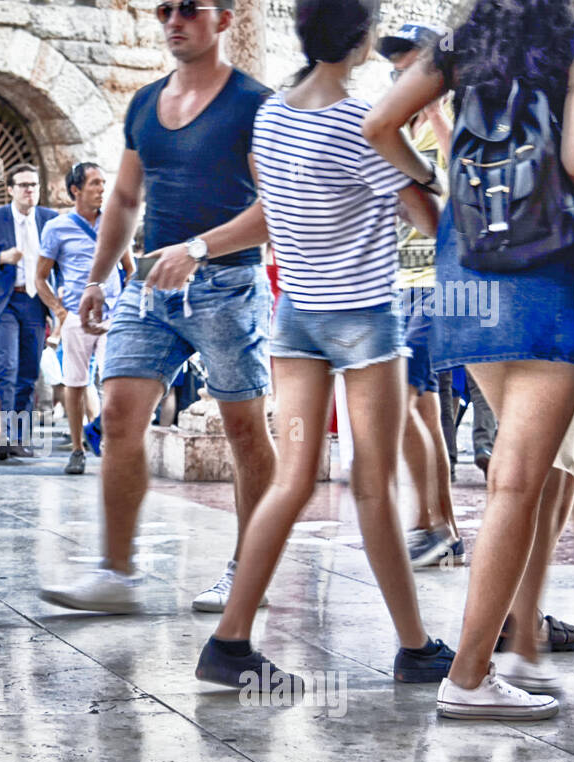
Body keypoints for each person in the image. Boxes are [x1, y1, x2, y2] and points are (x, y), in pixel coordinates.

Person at [364, 0, 574, 719]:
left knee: (532, 477)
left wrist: (438, 192)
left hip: (466, 275)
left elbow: (378, 125)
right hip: (544, 276)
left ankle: (517, 641)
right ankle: (472, 675)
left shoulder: (464, 43)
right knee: (520, 481)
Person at [190, 0, 454, 690]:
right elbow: (428, 221)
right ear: (362, 39)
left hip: (297, 321)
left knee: (292, 478)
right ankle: (415, 646)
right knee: (373, 483)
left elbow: (271, 214)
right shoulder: (360, 125)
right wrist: (425, 166)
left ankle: (231, 641)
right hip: (365, 321)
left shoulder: (272, 115)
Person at [39, 0, 277, 614]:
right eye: (164, 9)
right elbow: (122, 197)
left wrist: (199, 248)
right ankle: (117, 572)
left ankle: (247, 571)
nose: (174, 19)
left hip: (228, 287)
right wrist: (94, 281)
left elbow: (276, 210)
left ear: (224, 19)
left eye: (189, 9)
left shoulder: (254, 104)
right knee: (118, 414)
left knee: (245, 432)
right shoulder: (145, 103)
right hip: (151, 288)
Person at [378, 23, 464, 567]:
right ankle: (443, 526)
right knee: (427, 411)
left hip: (442, 283)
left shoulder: (449, 123)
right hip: (400, 286)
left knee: (405, 397)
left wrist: (436, 116)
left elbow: (462, 188)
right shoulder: (392, 129)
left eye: (411, 66)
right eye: (394, 68)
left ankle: (429, 525)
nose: (398, 75)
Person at [36, 161, 133, 475]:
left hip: (113, 316)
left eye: (103, 183)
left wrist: (126, 306)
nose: (101, 189)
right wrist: (59, 311)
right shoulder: (57, 227)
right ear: (75, 190)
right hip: (77, 317)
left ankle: (105, 437)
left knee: (116, 384)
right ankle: (77, 449)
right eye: (94, 184)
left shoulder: (116, 221)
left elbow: (130, 269)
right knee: (75, 384)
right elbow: (40, 278)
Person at [0, 164, 58, 458]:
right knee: (7, 367)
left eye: (33, 185)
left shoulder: (50, 219)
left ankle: (19, 438)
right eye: (22, 185)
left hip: (36, 303)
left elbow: (62, 262)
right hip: (5, 302)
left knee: (28, 374)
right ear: (10, 189)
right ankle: (0, 435)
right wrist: (2, 257)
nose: (29, 190)